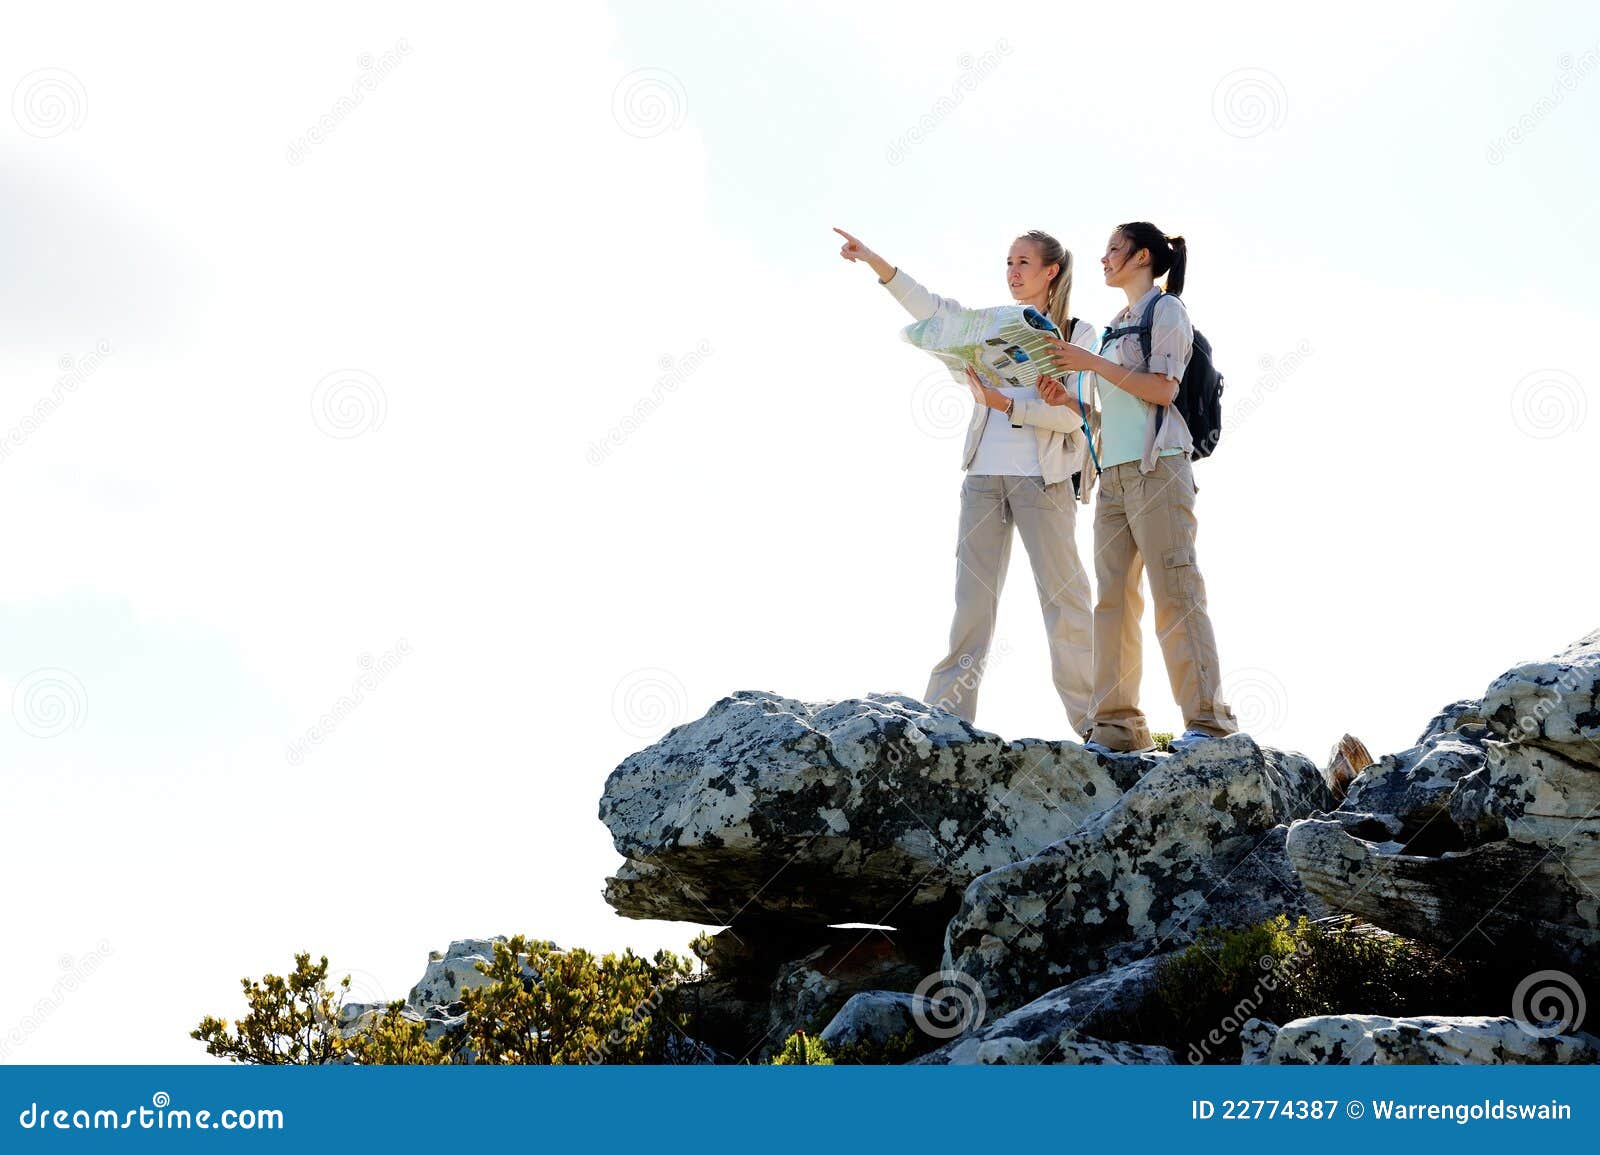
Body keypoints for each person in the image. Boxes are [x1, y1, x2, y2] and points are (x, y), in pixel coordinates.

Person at [835, 226, 1095, 734]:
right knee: (971, 605)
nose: (1013, 272)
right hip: (981, 478)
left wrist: (1006, 404)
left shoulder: (1079, 335)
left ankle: (1095, 723)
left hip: (1044, 480)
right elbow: (933, 312)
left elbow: (1075, 419)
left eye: (1023, 263)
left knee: (1064, 603)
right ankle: (946, 721)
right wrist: (876, 263)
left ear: (1051, 272)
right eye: (1008, 262)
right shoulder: (988, 324)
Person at [1042, 222, 1238, 754]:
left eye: (1113, 250)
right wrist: (1070, 402)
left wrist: (1090, 362)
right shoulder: (1114, 325)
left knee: (1176, 594)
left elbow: (1161, 389)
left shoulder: (1166, 310)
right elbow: (1114, 411)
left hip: (1159, 471)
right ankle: (1117, 729)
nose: (1103, 259)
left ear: (1142, 256)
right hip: (1114, 476)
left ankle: (1210, 724)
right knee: (1112, 603)